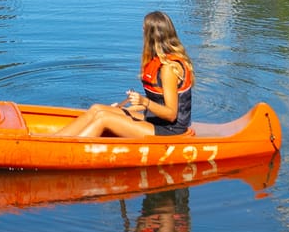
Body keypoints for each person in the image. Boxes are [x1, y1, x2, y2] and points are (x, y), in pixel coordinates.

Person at [56, 11, 194, 139]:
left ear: (151, 35)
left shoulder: (168, 69)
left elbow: (171, 114)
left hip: (169, 129)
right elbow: (158, 101)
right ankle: (54, 140)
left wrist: (143, 101)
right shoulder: (157, 60)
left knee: (104, 118)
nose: (142, 32)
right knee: (97, 109)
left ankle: (70, 149)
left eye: (143, 29)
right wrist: (124, 108)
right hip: (155, 121)